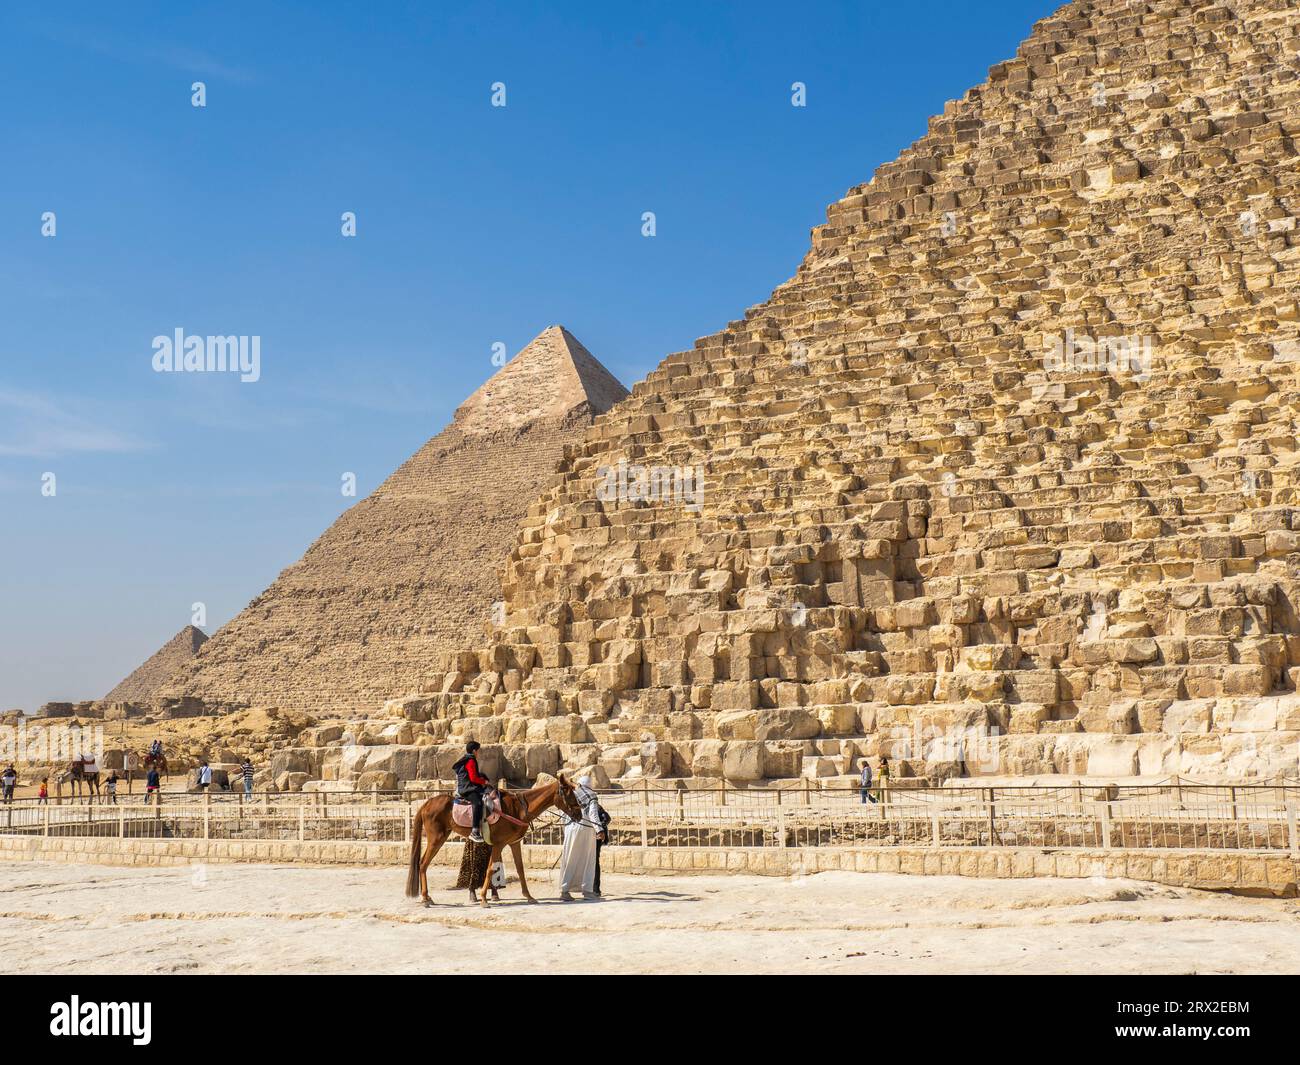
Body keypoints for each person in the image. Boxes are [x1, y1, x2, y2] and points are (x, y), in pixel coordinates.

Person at [559, 775, 601, 901]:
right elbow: (593, 814)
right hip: (586, 829)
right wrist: (599, 829)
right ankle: (587, 891)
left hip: (570, 828)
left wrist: (566, 831)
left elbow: (564, 813)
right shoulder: (591, 795)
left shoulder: (572, 794)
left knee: (569, 859)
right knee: (588, 860)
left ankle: (564, 891)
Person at [452, 741, 490, 843]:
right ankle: (475, 831)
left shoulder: (467, 759)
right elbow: (473, 778)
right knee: (477, 803)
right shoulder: (471, 761)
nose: (479, 753)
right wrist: (484, 781)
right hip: (468, 788)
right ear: (474, 751)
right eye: (478, 751)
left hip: (468, 786)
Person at [592, 797, 612, 897]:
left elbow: (607, 818)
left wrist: (599, 828)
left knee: (595, 862)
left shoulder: (596, 807)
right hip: (593, 837)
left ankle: (595, 889)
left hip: (596, 838)